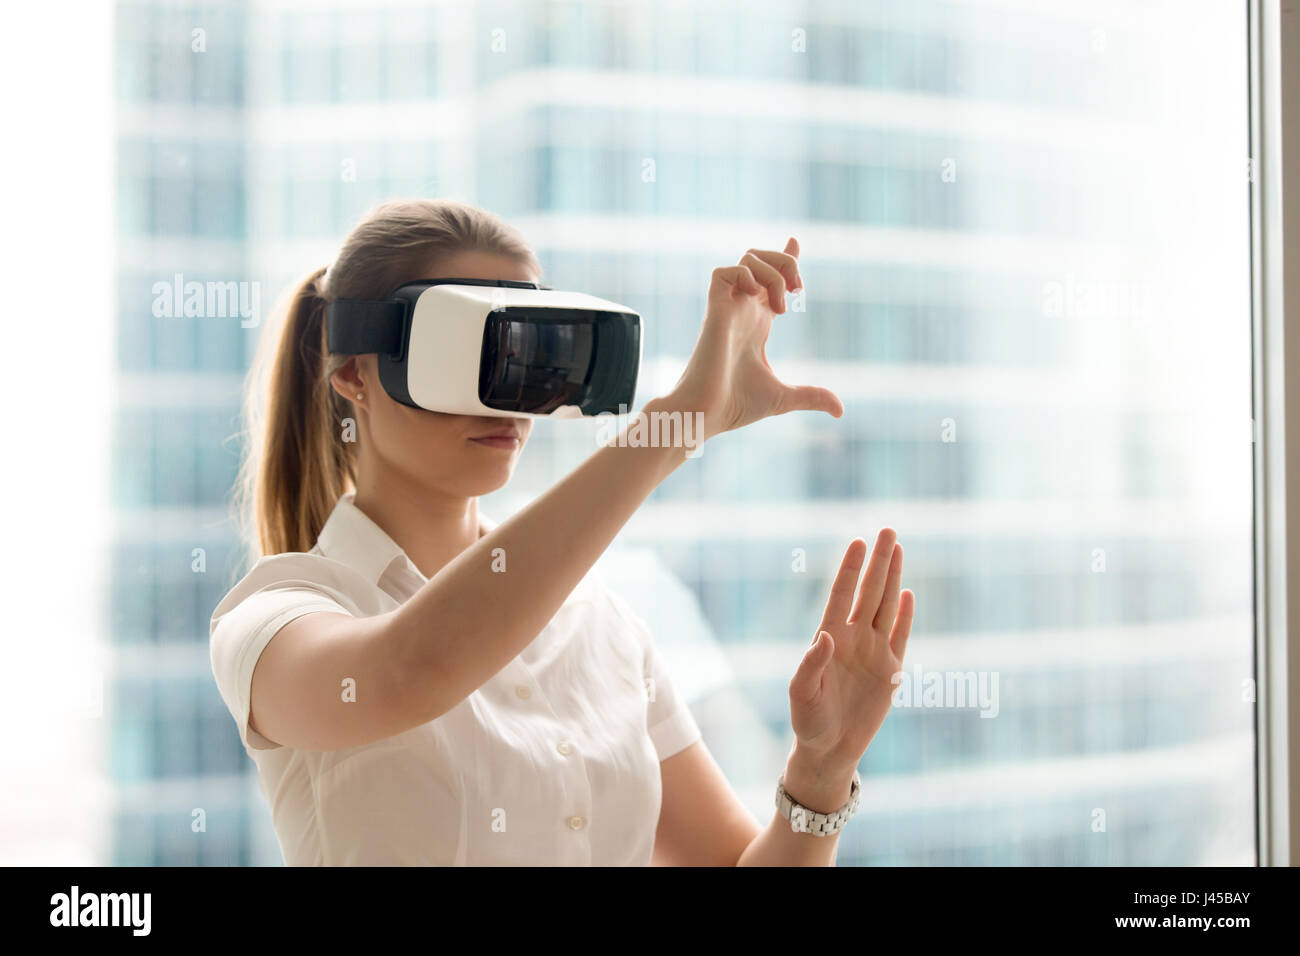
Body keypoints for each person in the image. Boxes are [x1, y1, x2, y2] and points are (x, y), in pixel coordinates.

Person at [210, 197, 915, 866]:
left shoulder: (602, 626)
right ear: (355, 374)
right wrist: (676, 425)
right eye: (468, 348)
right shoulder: (272, 619)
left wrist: (820, 773)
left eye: (525, 349)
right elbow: (411, 671)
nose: (508, 393)